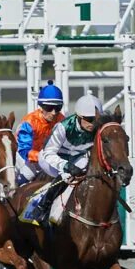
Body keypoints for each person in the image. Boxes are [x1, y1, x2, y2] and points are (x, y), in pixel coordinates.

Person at [29, 93, 103, 224]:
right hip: (50, 159)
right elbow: (48, 153)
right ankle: (42, 207)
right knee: (66, 175)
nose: (93, 124)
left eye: (95, 120)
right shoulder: (63, 127)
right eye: (89, 119)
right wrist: (65, 166)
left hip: (76, 158)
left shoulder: (97, 130)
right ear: (79, 117)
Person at [16, 80, 65, 184]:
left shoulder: (62, 120)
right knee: (29, 173)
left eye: (57, 108)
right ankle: (12, 194)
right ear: (41, 106)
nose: (53, 112)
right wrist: (43, 157)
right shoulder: (29, 122)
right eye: (49, 107)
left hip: (49, 157)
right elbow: (24, 150)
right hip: (27, 158)